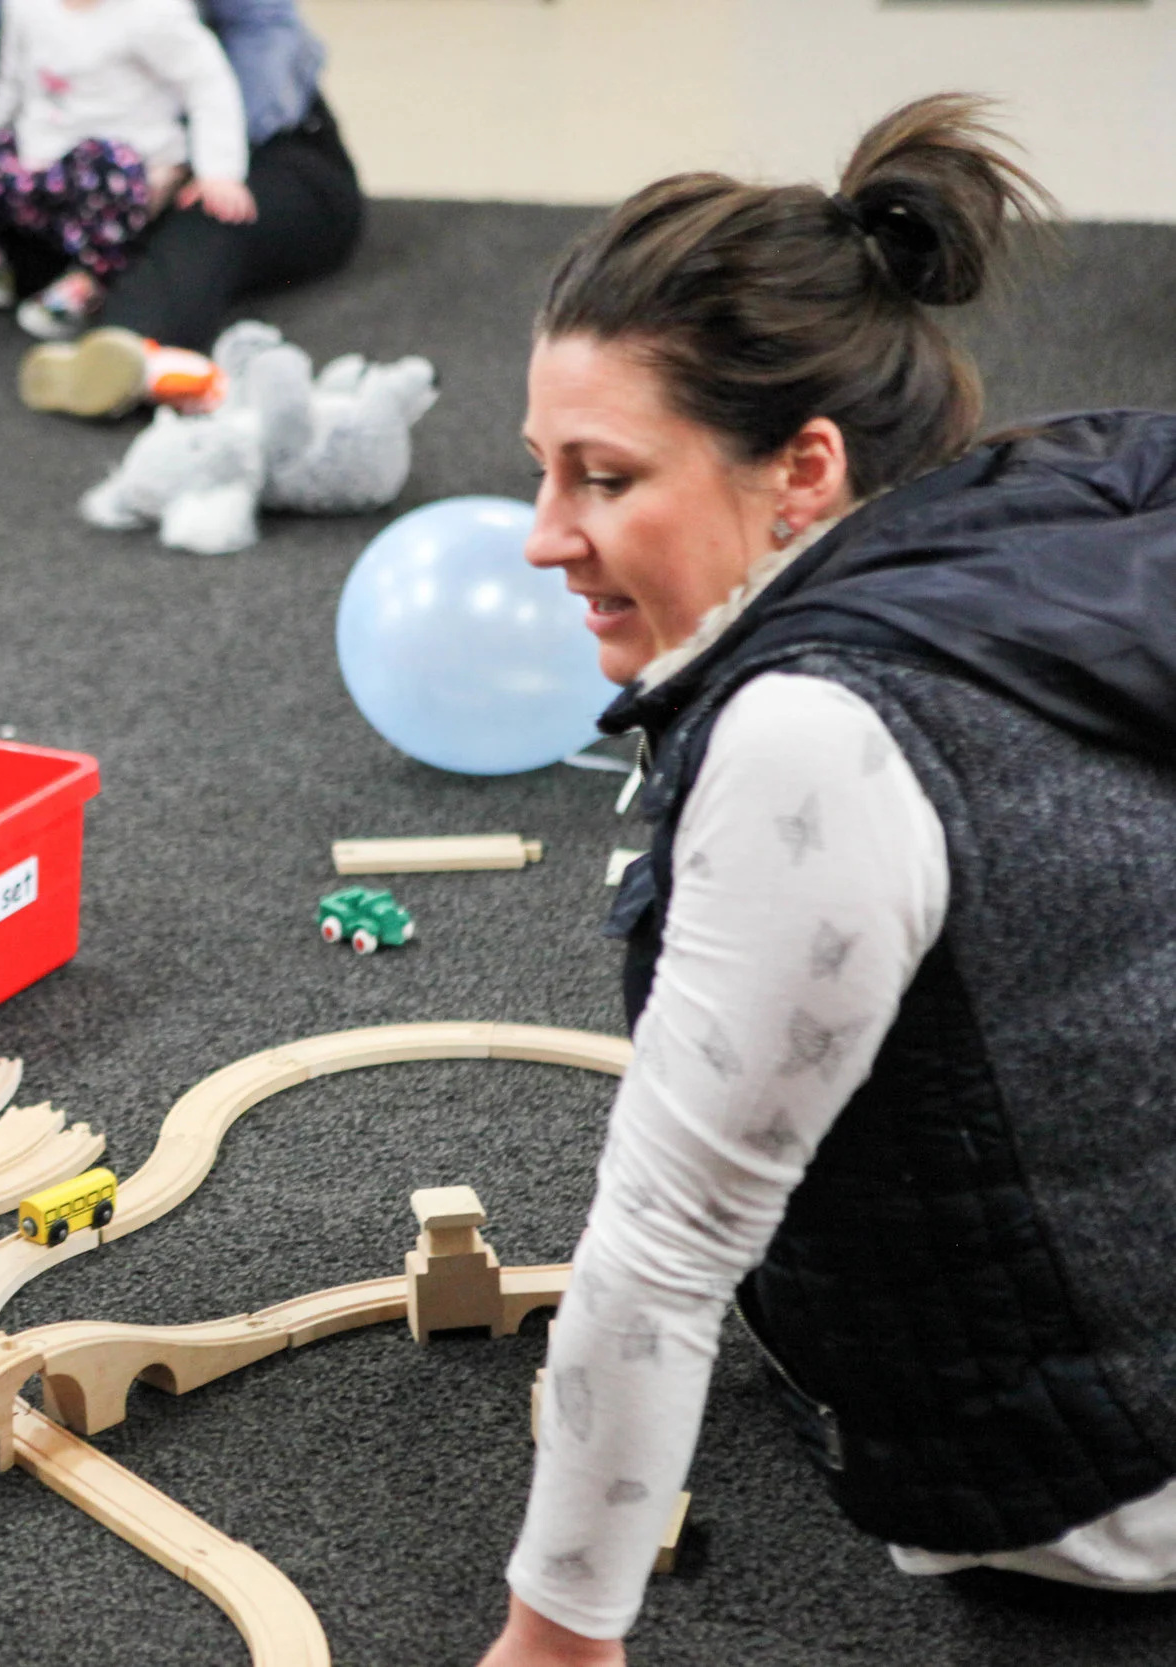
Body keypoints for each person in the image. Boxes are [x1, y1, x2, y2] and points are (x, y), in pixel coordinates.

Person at [485, 93, 1176, 1667]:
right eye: (542, 470)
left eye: (603, 478)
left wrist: (554, 1639)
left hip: (1097, 1486)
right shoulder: (1069, 516)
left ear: (803, 466)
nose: (542, 536)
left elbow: (665, 1249)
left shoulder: (816, 733)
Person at [0, 0, 360, 418]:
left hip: (218, 153)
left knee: (203, 235)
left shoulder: (155, 20)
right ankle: (76, 262)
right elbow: (5, 90)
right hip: (63, 164)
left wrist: (192, 165)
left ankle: (118, 337)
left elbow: (257, 39)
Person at [0, 0, 252, 342]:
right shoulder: (25, 7)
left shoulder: (152, 13)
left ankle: (90, 280)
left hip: (116, 170)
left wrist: (219, 171)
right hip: (40, 162)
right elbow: (11, 78)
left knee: (110, 171)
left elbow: (207, 83)